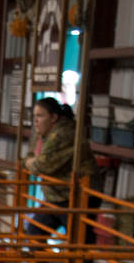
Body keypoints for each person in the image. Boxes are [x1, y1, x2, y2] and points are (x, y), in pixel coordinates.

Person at [23, 97, 96, 236]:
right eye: (34, 116)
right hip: (57, 195)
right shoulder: (43, 135)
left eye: (40, 116)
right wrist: (31, 162)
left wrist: (31, 162)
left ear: (53, 117)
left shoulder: (64, 134)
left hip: (78, 196)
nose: (35, 121)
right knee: (35, 231)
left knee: (78, 241)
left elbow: (40, 166)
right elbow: (28, 159)